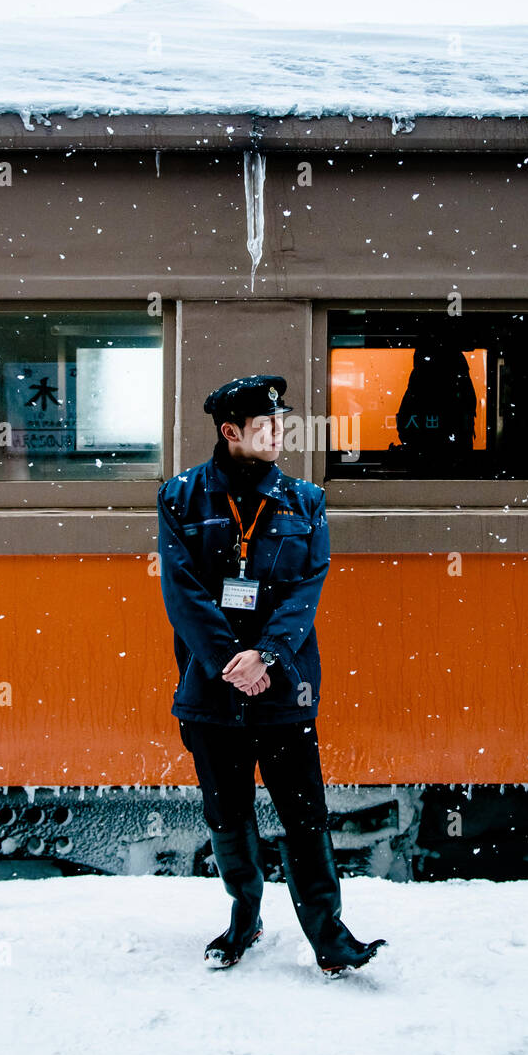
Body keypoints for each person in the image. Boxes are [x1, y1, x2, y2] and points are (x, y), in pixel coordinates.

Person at [157, 374, 387, 975]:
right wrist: (231, 660)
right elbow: (183, 591)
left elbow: (304, 591)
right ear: (231, 432)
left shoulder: (304, 501)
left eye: (281, 422)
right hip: (212, 688)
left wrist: (267, 656)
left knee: (304, 813)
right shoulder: (180, 498)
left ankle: (328, 935)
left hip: (284, 687)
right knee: (227, 812)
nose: (279, 433)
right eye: (266, 425)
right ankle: (244, 917)